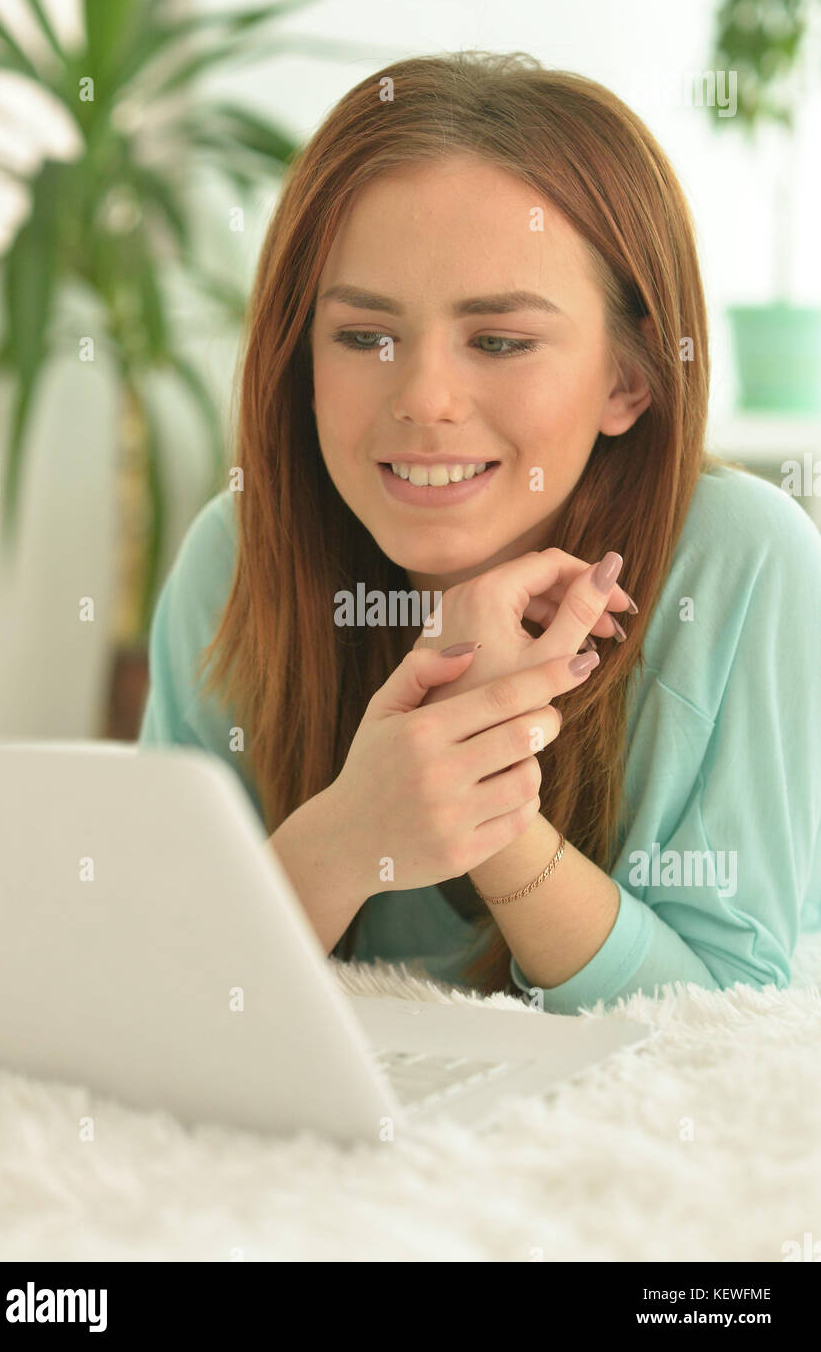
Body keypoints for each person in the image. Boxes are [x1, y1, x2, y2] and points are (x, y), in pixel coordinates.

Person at [138, 51, 821, 1014]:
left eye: (498, 341)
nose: (422, 399)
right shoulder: (237, 556)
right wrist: (348, 834)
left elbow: (727, 1025)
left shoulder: (744, 562)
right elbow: (156, 985)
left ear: (627, 380)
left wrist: (482, 802)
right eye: (363, 336)